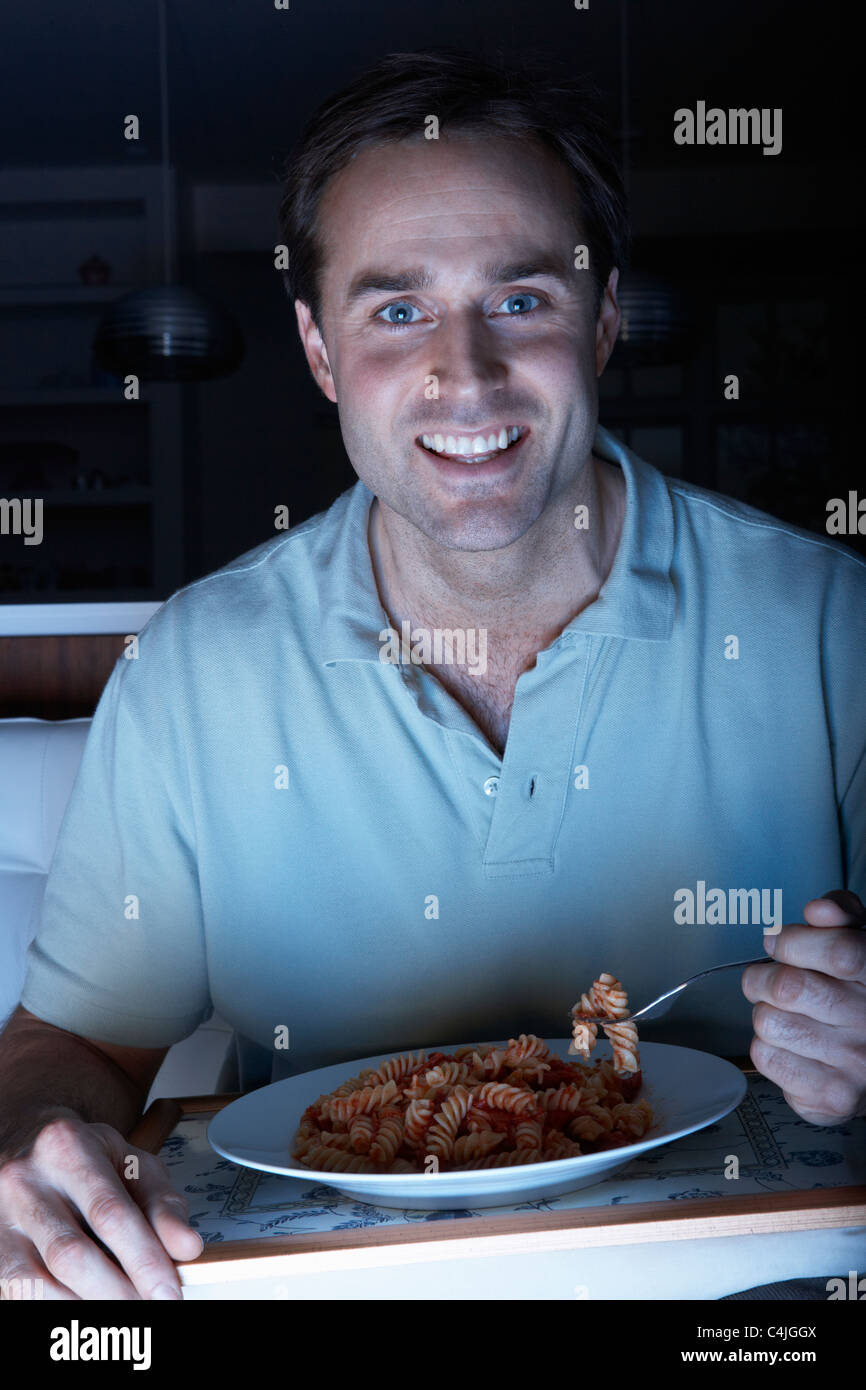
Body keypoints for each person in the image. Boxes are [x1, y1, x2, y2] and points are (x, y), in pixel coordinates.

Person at [1, 50, 863, 1302]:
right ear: (315, 346)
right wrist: (36, 1157)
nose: (463, 373)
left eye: (520, 299)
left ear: (605, 315)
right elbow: (74, 1045)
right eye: (394, 309)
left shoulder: (829, 622)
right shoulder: (194, 670)